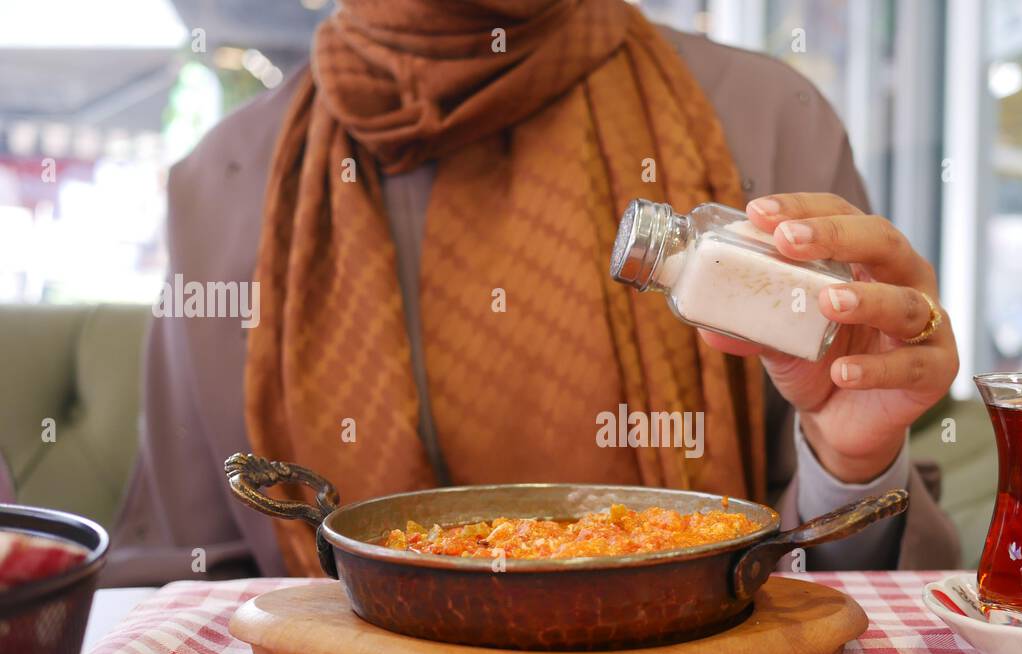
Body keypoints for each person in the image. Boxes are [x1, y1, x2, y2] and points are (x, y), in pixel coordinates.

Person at [104, 0, 960, 586]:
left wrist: (849, 461)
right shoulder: (219, 188)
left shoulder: (769, 119)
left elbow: (835, 590)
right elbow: (183, 590)